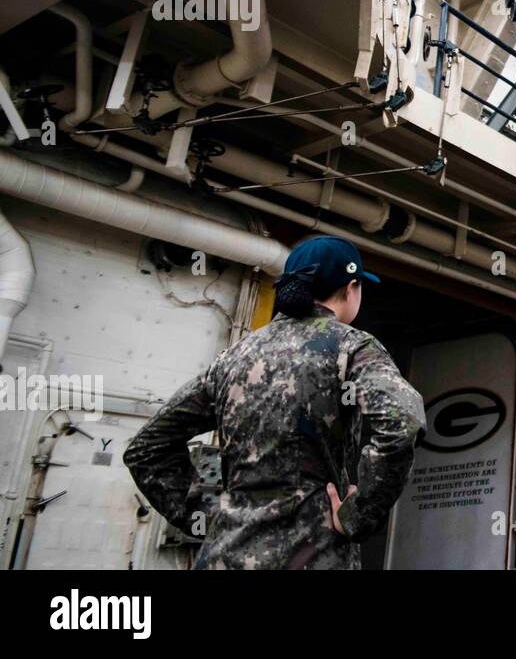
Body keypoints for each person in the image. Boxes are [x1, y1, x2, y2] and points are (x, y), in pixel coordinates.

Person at [124, 235, 425, 569]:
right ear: (351, 287)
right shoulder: (350, 347)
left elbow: (146, 448)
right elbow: (401, 423)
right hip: (312, 555)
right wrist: (359, 514)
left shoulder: (234, 357)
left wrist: (204, 519)